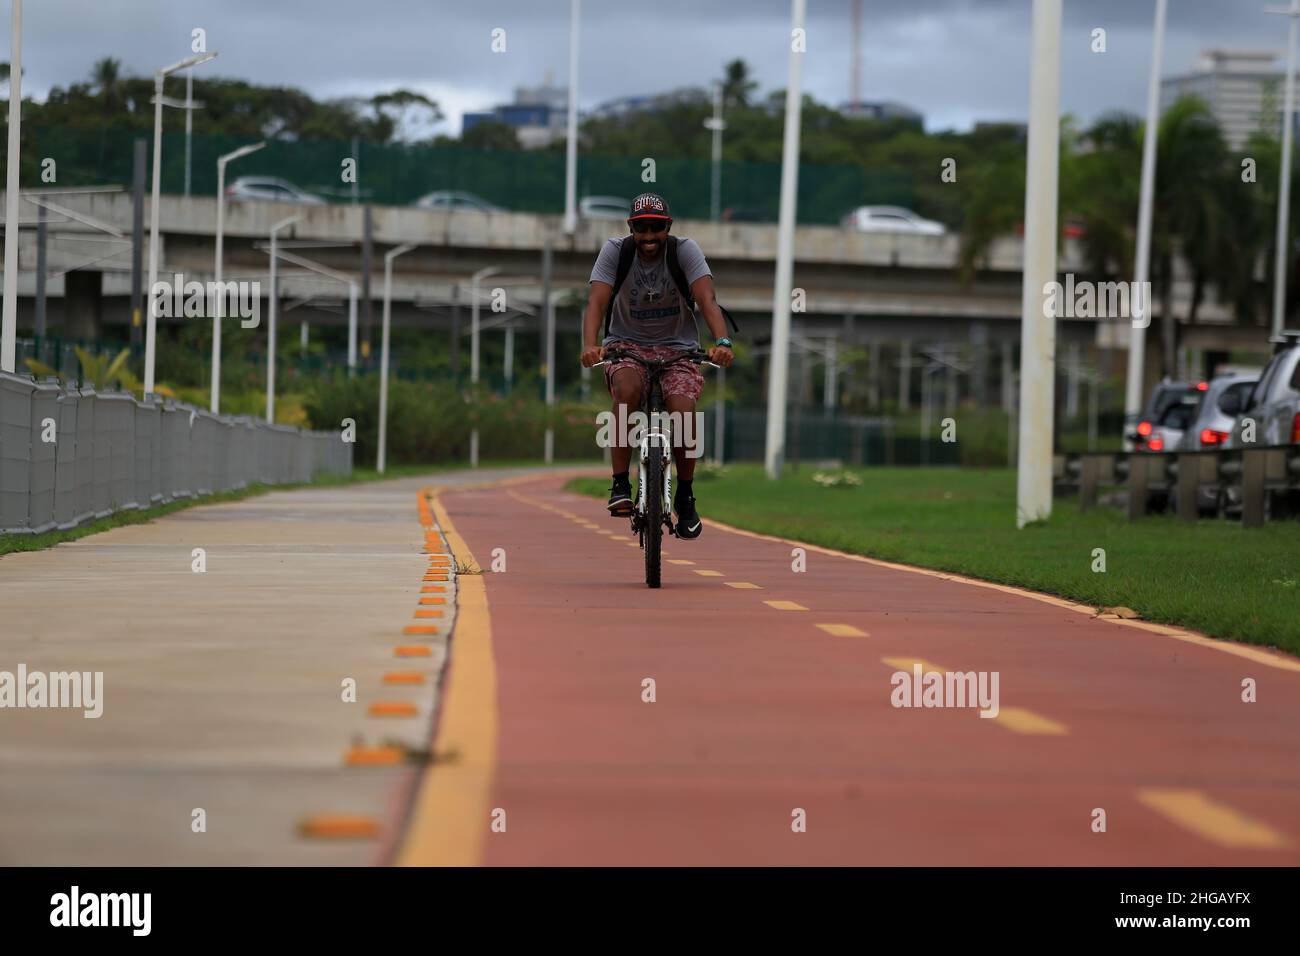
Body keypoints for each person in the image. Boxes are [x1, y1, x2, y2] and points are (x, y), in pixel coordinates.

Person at [580, 192, 734, 540]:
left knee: (683, 409)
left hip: (679, 349)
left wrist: (722, 342)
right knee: (627, 391)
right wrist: (590, 346)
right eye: (641, 229)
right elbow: (596, 301)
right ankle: (620, 484)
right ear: (631, 228)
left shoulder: (685, 251)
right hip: (626, 346)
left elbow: (707, 298)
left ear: (669, 227)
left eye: (657, 229)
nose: (649, 237)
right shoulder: (615, 252)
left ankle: (686, 495)